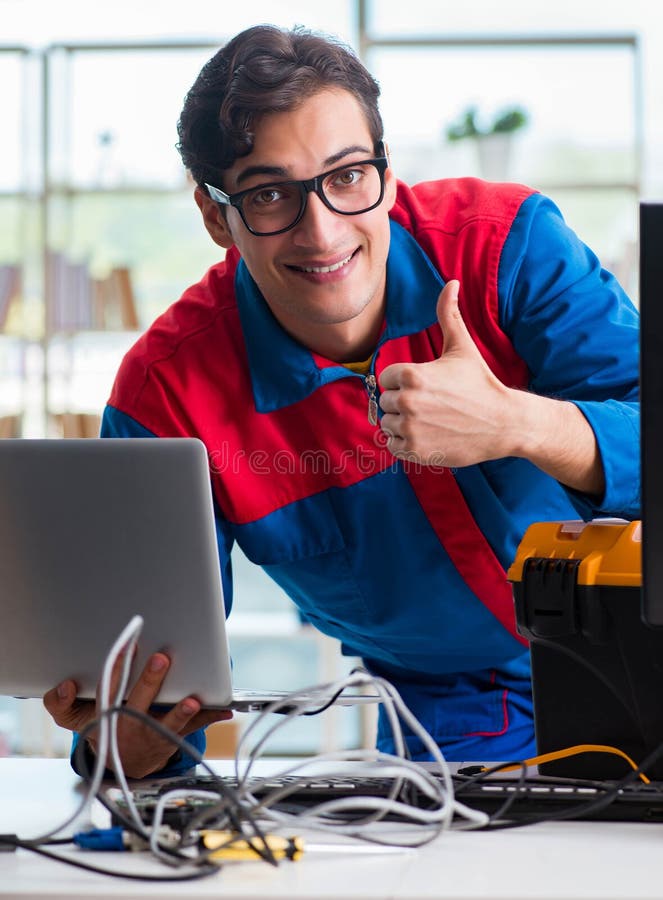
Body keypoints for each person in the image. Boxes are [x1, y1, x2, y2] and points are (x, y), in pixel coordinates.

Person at [44, 24, 639, 780]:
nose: (321, 229)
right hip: (453, 716)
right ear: (213, 216)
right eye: (268, 194)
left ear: (387, 175)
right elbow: (150, 678)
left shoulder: (508, 247)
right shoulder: (165, 397)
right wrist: (124, 747)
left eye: (347, 176)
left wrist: (517, 422)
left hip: (641, 637)